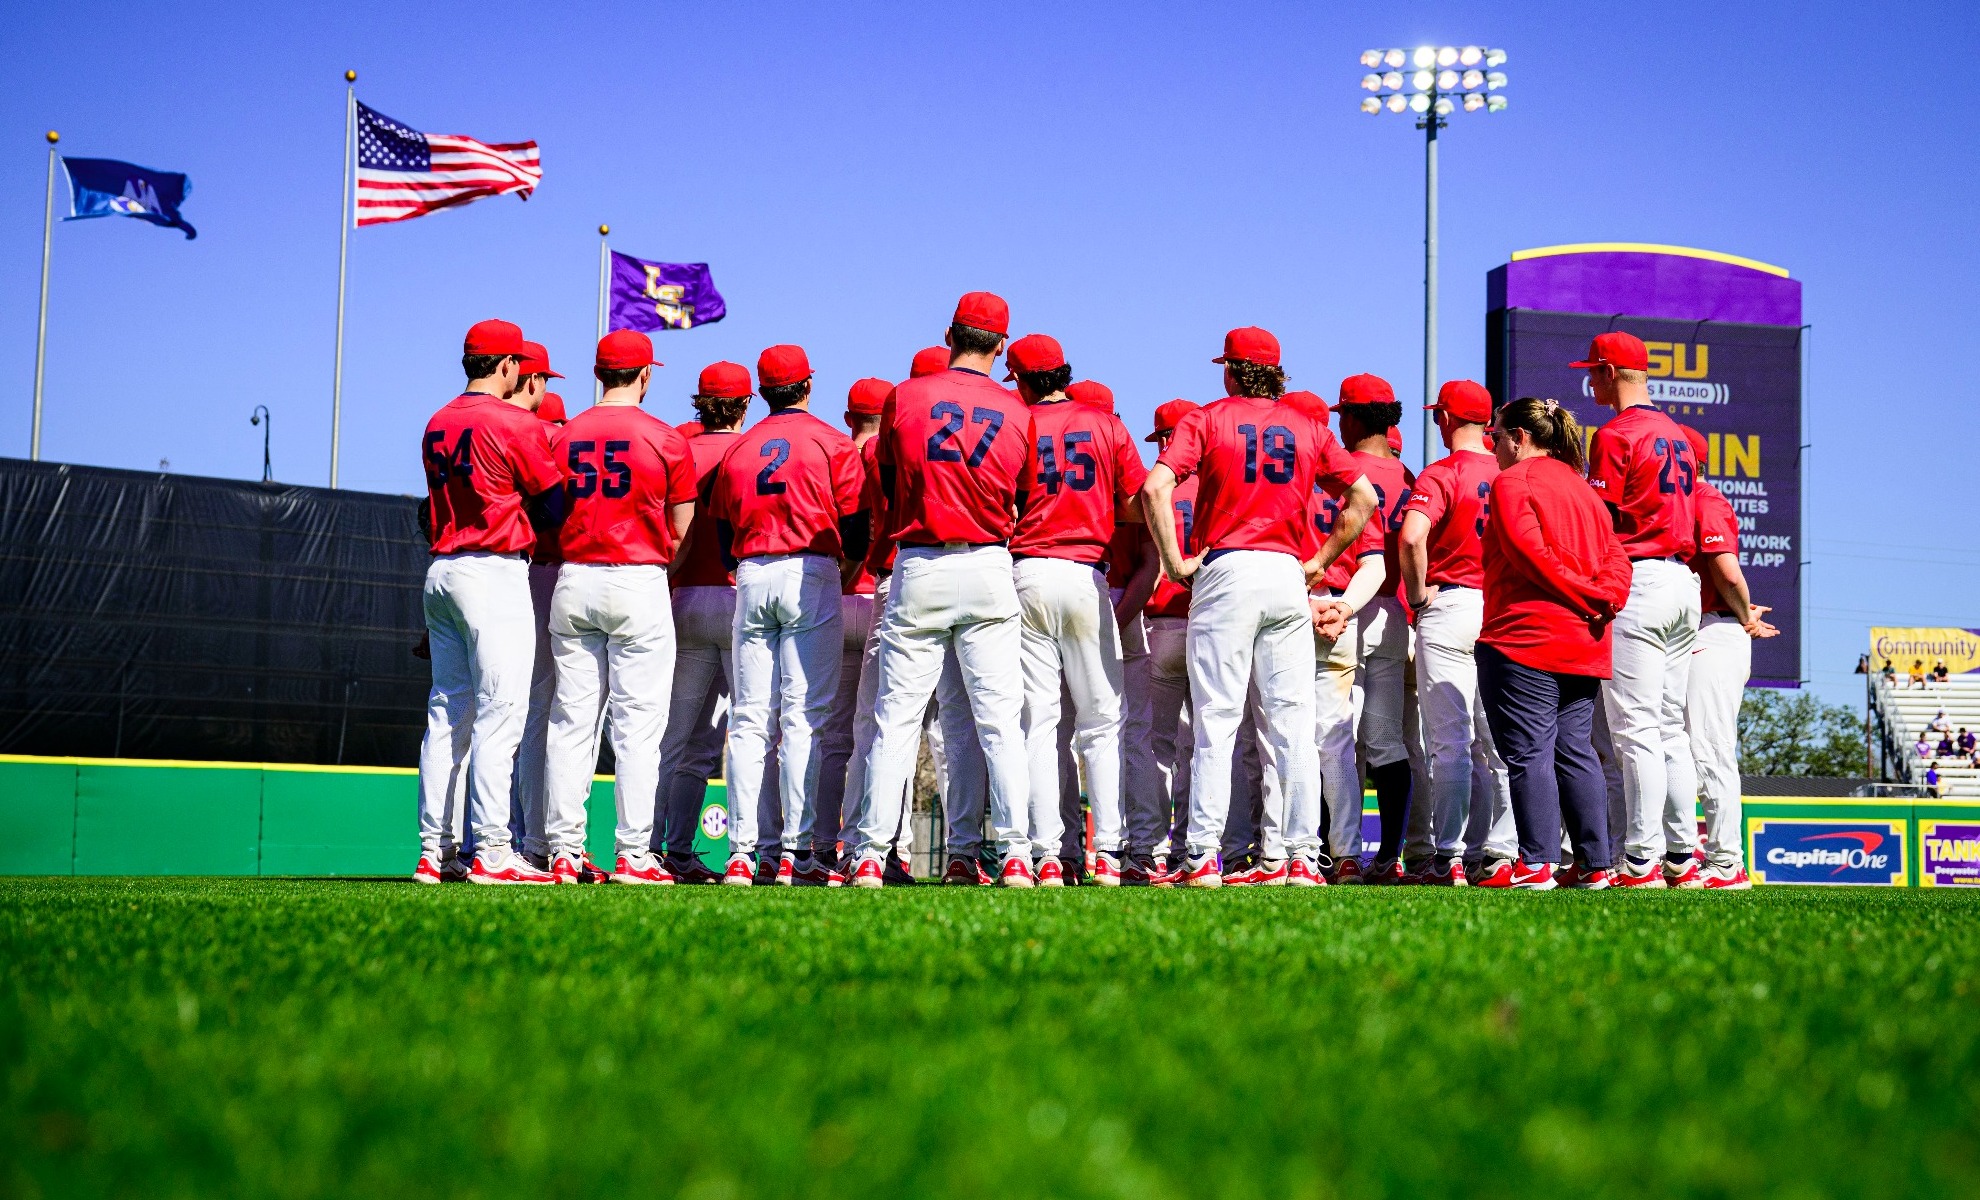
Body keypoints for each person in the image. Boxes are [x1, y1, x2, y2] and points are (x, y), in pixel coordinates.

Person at [1141, 326, 1377, 887]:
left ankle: (1201, 855)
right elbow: (1365, 496)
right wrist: (1321, 559)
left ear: (1230, 370)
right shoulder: (1310, 426)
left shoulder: (1206, 417)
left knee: (1217, 721)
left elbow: (1156, 488)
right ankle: (1298, 856)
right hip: (1284, 573)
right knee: (1292, 723)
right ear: (1276, 372)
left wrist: (1175, 564)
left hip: (1227, 568)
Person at [851, 292, 1040, 887]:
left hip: (920, 559)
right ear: (1001, 344)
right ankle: (1013, 852)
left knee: (896, 721)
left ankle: (868, 854)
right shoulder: (1015, 407)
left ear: (951, 333)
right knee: (999, 722)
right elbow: (1026, 493)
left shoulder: (906, 396)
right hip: (987, 560)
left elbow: (885, 480)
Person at [540, 330, 698, 884]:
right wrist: (655, 571)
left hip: (575, 575)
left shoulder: (566, 434)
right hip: (639, 578)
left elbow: (546, 513)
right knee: (637, 730)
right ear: (646, 375)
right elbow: (682, 528)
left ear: (598, 374)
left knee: (571, 723)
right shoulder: (665, 436)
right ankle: (633, 853)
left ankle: (562, 850)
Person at [413, 319, 564, 885]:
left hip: (443, 568)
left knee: (447, 715)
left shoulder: (436, 420)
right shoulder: (515, 421)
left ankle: (437, 851)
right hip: (494, 571)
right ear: (507, 367)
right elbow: (553, 511)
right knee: (502, 715)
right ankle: (494, 850)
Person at [710, 345, 865, 885]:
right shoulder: (831, 441)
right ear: (807, 386)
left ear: (763, 391)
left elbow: (723, 530)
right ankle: (799, 852)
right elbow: (858, 524)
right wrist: (841, 572)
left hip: (753, 569)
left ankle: (744, 851)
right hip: (811, 569)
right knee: (804, 716)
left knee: (751, 719)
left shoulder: (741, 445)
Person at [1473, 397, 1632, 890]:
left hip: (1526, 635)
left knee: (1530, 753)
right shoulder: (1583, 489)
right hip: (1584, 638)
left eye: (1496, 435)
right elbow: (1617, 559)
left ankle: (1537, 861)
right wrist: (1603, 599)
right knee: (1576, 751)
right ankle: (1594, 864)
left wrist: (1589, 596)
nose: (1491, 444)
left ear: (1520, 436)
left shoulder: (1512, 481)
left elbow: (1529, 555)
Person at [1005, 335, 1147, 886]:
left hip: (1029, 571)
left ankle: (1045, 854)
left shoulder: (1016, 422)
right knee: (1102, 724)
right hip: (1088, 572)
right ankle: (1107, 852)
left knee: (1037, 723)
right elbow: (1136, 503)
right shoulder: (1106, 425)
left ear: (1020, 378)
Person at [1579, 332, 1702, 889]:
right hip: (1682, 580)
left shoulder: (1617, 432)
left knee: (1636, 731)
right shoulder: (1676, 431)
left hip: (1641, 577)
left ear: (1609, 371)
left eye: (1594, 371)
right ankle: (1684, 856)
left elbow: (1598, 522)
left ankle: (1643, 859)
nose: (1590, 380)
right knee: (1671, 728)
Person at [1398, 379, 1517, 887]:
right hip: (1502, 608)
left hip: (1451, 601)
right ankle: (1502, 853)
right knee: (1502, 744)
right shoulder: (1513, 471)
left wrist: (1420, 596)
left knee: (1449, 742)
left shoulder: (1444, 471)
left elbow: (1411, 536)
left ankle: (1447, 854)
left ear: (1446, 418)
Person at [655, 362, 752, 884]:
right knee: (752, 731)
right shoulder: (752, 446)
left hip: (684, 597)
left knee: (676, 739)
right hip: (741, 599)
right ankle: (749, 849)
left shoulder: (680, 449)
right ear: (746, 403)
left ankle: (656, 849)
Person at [1285, 389, 1382, 882]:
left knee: (1281, 735)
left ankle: (1286, 852)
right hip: (1341, 612)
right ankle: (1345, 854)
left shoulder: (1278, 479)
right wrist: (1343, 606)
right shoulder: (1350, 487)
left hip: (1288, 612)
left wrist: (1316, 603)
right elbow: (1376, 564)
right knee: (1337, 741)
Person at [1678, 425, 1778, 890]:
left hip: (1715, 629)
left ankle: (1726, 863)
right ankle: (1673, 856)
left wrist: (1744, 616)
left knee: (1709, 748)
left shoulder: (1704, 500)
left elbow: (1726, 570)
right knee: (1673, 746)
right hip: (1696, 627)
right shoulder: (1679, 501)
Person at [1330, 374, 1417, 883]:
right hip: (1393, 611)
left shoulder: (1343, 469)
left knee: (1334, 736)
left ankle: (1329, 850)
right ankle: (1390, 856)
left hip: (1343, 605)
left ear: (1356, 418)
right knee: (1387, 740)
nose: (1340, 423)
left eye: (1343, 414)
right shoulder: (1410, 474)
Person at [809, 376, 893, 874]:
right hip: (885, 597)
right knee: (886, 732)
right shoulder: (902, 449)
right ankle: (880, 850)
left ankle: (820, 845)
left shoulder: (834, 453)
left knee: (830, 735)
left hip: (838, 601)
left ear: (848, 418)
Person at [1134, 400, 1201, 886]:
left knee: (1156, 745)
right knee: (1209, 744)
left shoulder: (1150, 488)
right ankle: (1198, 847)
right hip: (1211, 627)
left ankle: (1155, 848)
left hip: (1161, 627)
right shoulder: (1222, 483)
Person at [512, 362, 567, 870]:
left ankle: (525, 840)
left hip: (523, 573)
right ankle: (553, 843)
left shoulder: (502, 431)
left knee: (523, 716)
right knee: (571, 719)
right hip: (568, 574)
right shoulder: (557, 440)